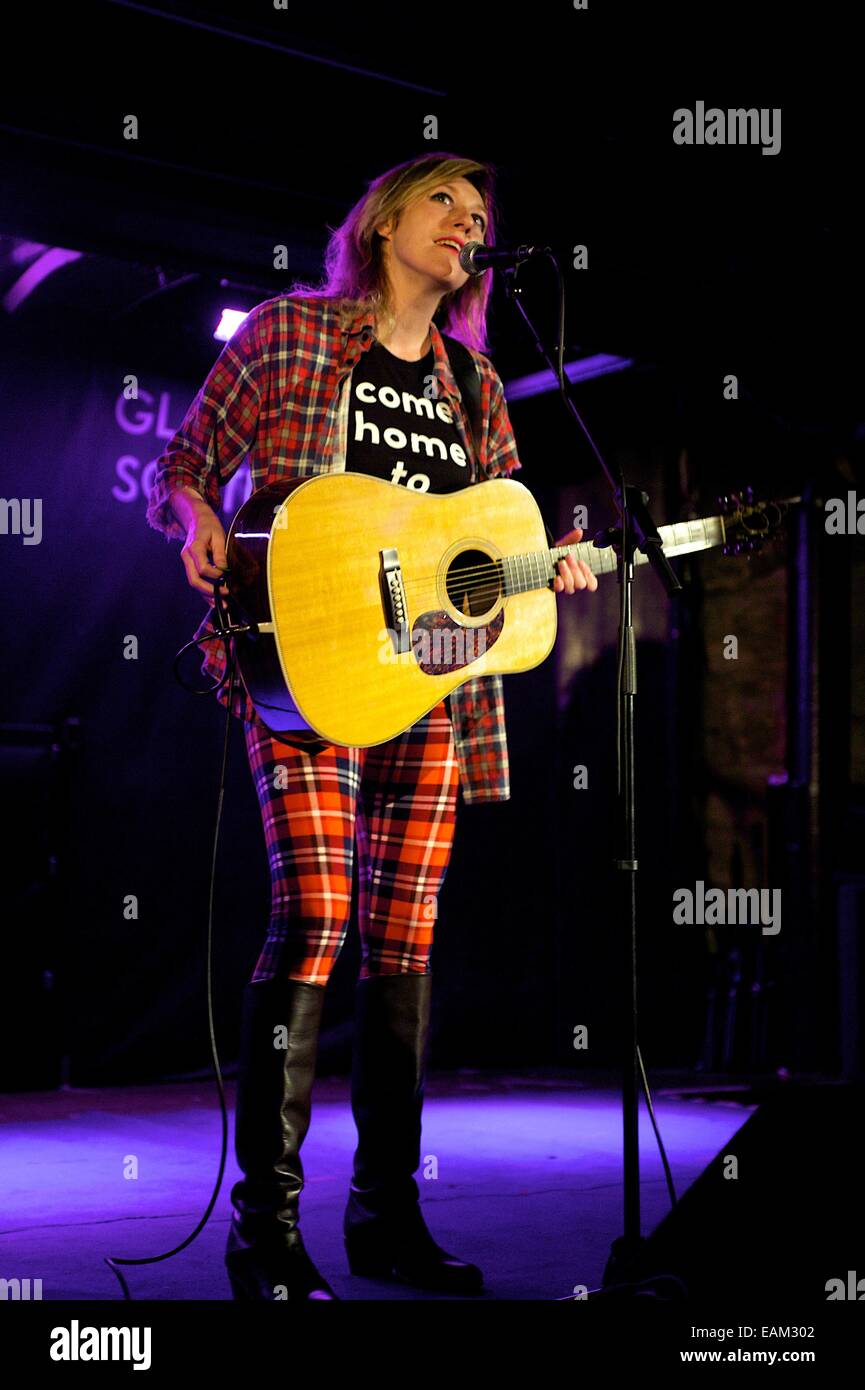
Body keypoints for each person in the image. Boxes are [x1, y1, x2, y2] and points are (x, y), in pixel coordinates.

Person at [146, 151, 598, 1301]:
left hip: (429, 688)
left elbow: (497, 548)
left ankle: (387, 1220)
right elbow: (185, 464)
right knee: (317, 917)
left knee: (401, 948)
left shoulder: (477, 387)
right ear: (387, 217)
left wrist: (552, 573)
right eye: (446, 200)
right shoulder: (290, 335)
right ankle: (267, 1233)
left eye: (483, 213)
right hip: (305, 663)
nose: (468, 222)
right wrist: (197, 518)